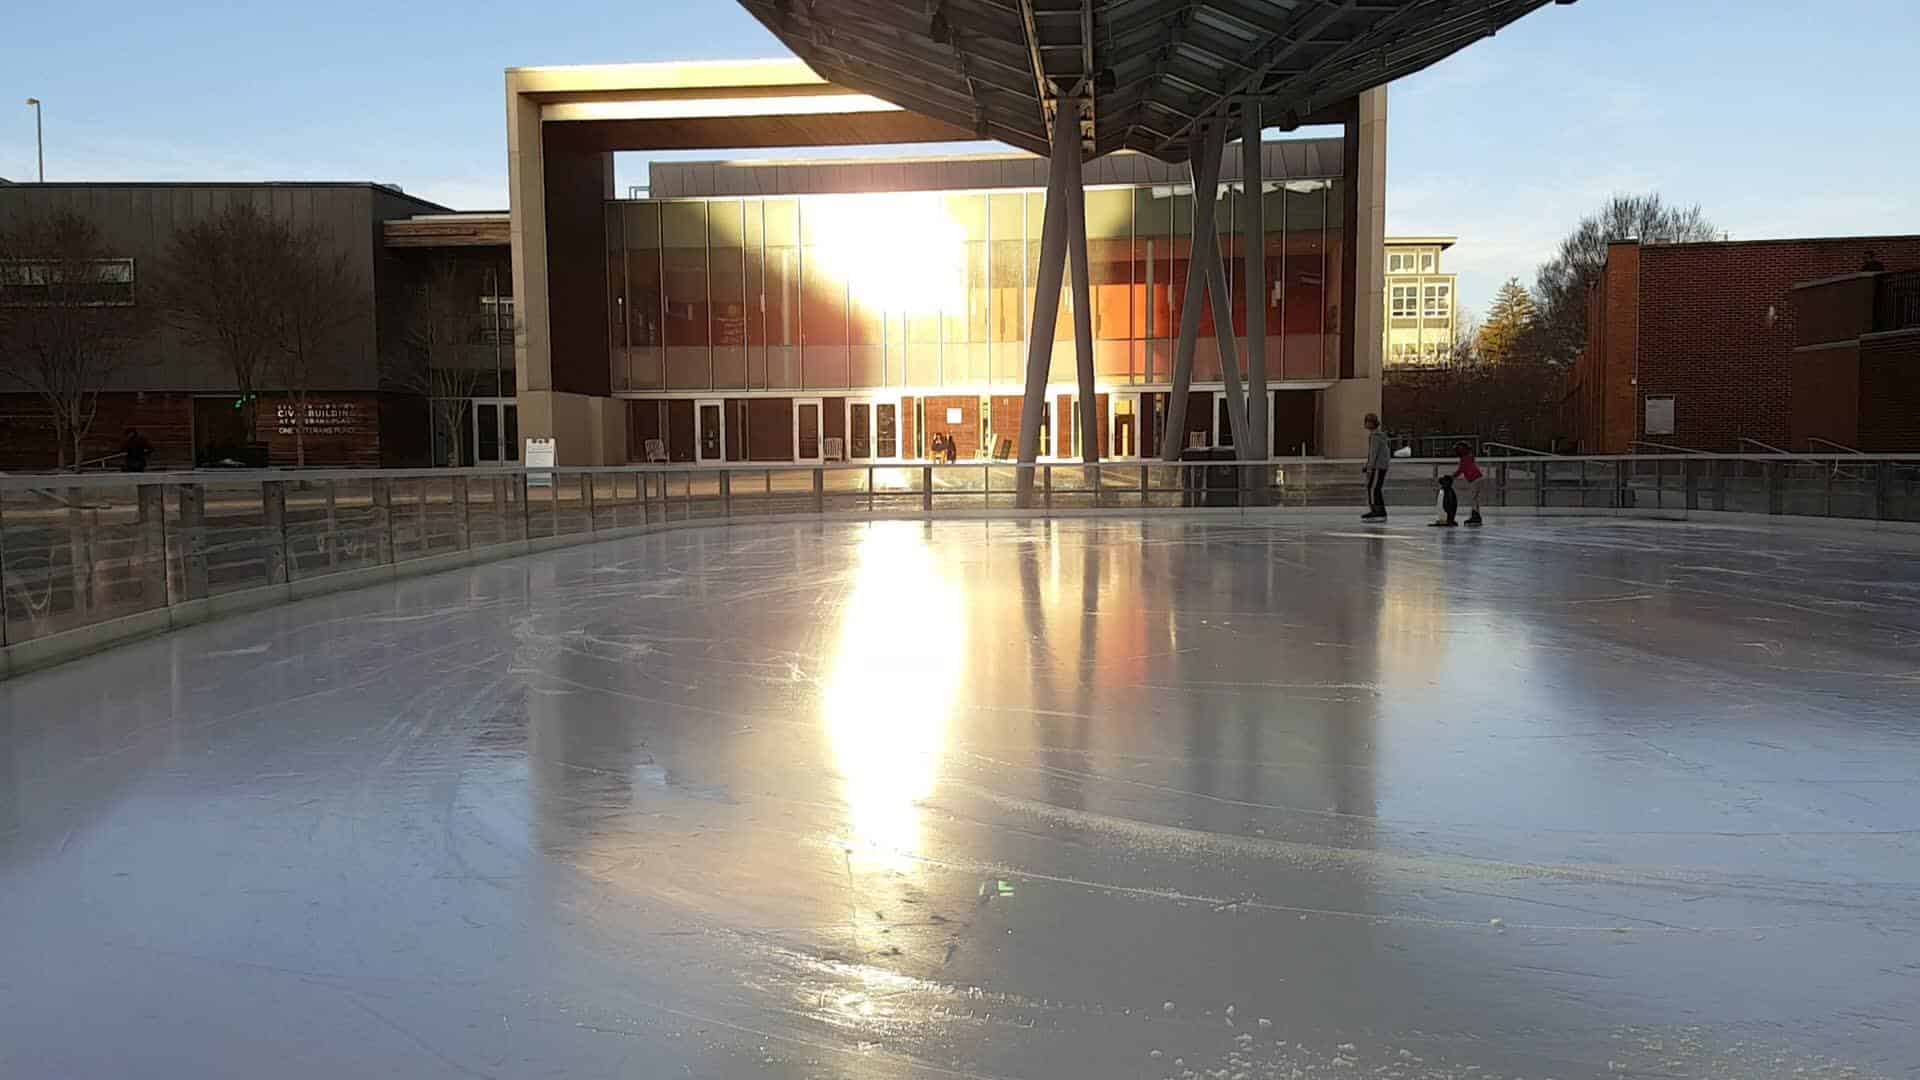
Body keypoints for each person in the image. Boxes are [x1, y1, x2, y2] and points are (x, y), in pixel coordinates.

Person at [1361, 413, 1390, 521]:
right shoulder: (1378, 435)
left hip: (1378, 467)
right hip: (1380, 466)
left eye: (1368, 421)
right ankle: (1379, 511)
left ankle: (1376, 511)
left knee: (1373, 488)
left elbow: (1374, 454)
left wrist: (1369, 467)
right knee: (1375, 488)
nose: (1366, 424)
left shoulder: (1375, 436)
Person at [1453, 440, 1485, 527]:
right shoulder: (1468, 457)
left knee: (1473, 498)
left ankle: (1475, 516)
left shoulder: (1465, 459)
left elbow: (1460, 470)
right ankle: (1476, 515)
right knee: (1474, 498)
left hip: (1475, 479)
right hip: (1476, 479)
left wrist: (1452, 477)